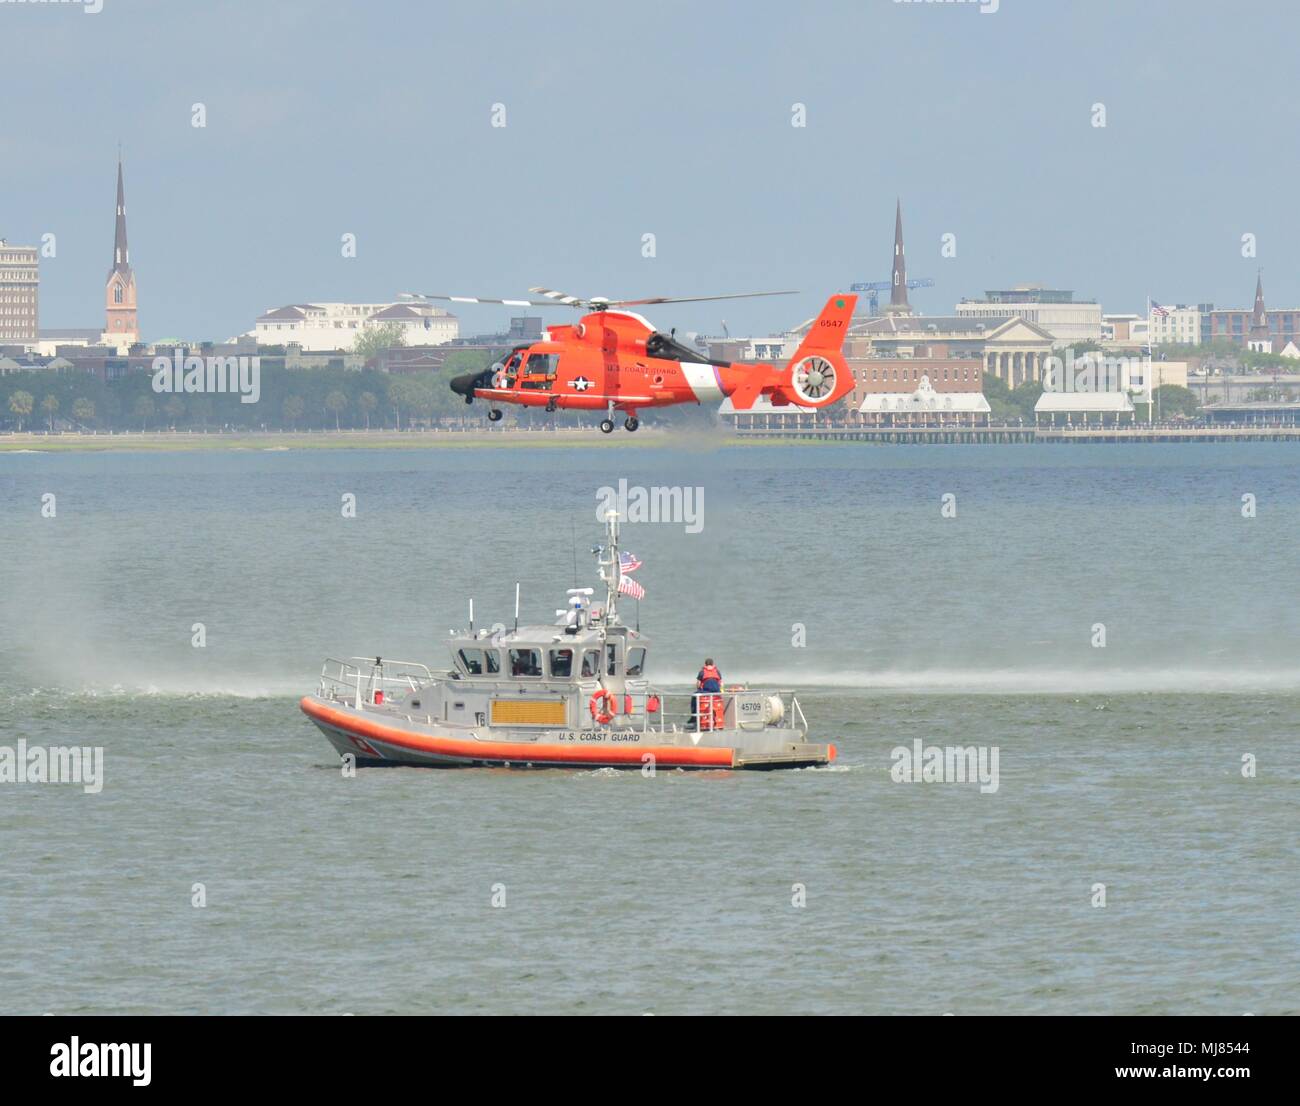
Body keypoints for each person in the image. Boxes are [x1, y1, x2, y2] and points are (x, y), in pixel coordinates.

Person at [691, 658, 723, 730]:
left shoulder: (702, 672)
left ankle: (694, 717)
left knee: (694, 696)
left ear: (705, 664)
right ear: (712, 664)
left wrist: (698, 690)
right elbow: (721, 683)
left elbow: (698, 683)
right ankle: (718, 720)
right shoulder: (717, 671)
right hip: (716, 692)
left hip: (706, 691)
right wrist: (720, 691)